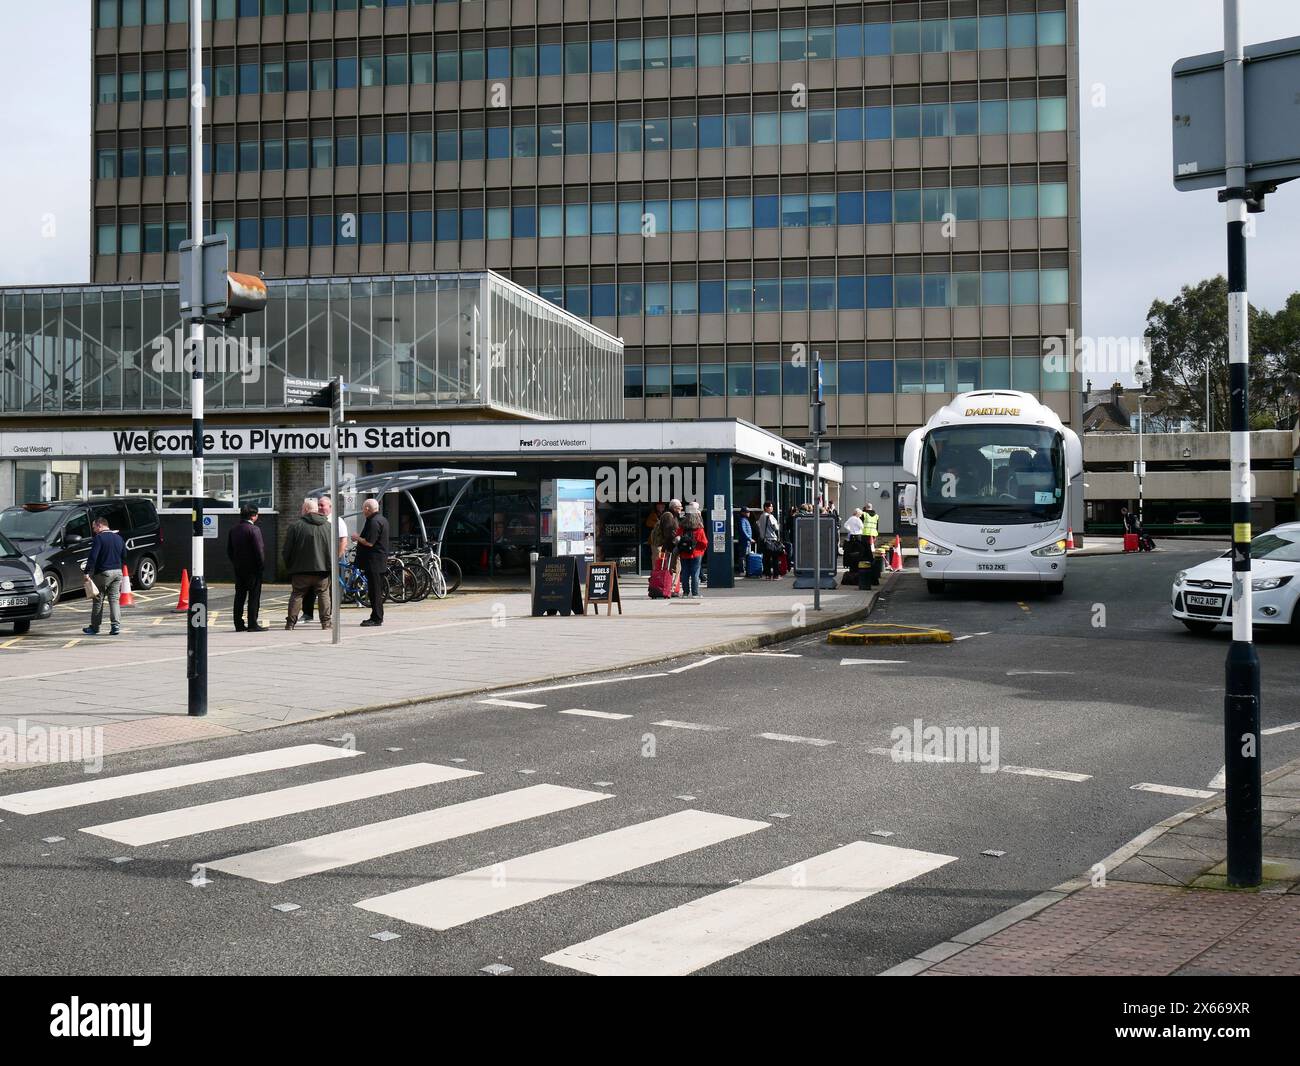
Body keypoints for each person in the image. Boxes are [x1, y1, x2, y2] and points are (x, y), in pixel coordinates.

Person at [283, 497, 333, 631]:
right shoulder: (329, 527)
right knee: (323, 594)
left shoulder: (295, 526)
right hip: (322, 570)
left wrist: (290, 566)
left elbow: (287, 550)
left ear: (305, 510)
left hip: (300, 570)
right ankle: (326, 623)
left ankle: (290, 624)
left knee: (297, 595)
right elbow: (332, 549)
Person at [302, 495, 348, 623]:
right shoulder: (313, 520)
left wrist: (336, 558)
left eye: (323, 505)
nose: (320, 508)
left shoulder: (337, 521)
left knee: (331, 588)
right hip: (315, 559)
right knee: (309, 586)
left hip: (331, 560)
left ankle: (331, 614)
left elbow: (343, 540)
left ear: (330, 507)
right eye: (319, 505)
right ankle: (307, 614)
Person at [81, 516, 125, 636]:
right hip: (117, 572)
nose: (94, 530)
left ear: (100, 525)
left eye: (94, 527)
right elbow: (124, 555)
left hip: (103, 573)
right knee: (114, 600)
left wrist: (86, 572)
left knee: (97, 599)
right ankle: (115, 626)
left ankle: (95, 627)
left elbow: (93, 557)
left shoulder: (99, 538)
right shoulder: (119, 538)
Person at [351, 498, 390, 626]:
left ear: (368, 508)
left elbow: (369, 542)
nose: (363, 511)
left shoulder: (373, 522)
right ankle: (375, 616)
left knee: (375, 591)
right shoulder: (382, 519)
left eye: (363, 508)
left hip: (374, 562)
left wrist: (357, 538)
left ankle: (377, 618)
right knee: (375, 590)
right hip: (378, 561)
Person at [227, 504, 265, 633]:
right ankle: (253, 623)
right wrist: (261, 566)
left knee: (239, 596)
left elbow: (229, 550)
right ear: (253, 516)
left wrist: (236, 563)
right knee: (254, 597)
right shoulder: (254, 530)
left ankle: (238, 624)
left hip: (239, 568)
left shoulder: (233, 529)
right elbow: (259, 551)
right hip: (253, 569)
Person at [677, 503, 708, 598]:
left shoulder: (681, 528)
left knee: (685, 573)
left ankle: (685, 593)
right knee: (695, 573)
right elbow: (704, 543)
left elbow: (677, 538)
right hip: (696, 553)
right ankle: (695, 593)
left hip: (683, 553)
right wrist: (701, 551)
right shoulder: (699, 529)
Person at [656, 499, 683, 597]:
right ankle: (670, 589)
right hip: (671, 547)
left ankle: (671, 588)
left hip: (671, 546)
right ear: (674, 507)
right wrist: (675, 542)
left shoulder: (672, 516)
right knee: (674, 568)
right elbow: (670, 532)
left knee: (675, 568)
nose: (681, 509)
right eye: (680, 507)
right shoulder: (669, 516)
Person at [757, 501, 783, 580]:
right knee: (775, 558)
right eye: (770, 506)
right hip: (771, 540)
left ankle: (767, 575)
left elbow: (759, 526)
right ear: (766, 507)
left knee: (766, 558)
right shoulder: (770, 516)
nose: (772, 508)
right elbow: (776, 528)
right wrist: (778, 525)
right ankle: (776, 575)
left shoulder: (761, 516)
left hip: (764, 540)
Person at [735, 508, 754, 574]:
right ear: (743, 513)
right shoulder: (742, 520)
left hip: (746, 541)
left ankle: (745, 569)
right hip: (744, 541)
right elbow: (743, 531)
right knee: (743, 556)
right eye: (747, 512)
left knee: (745, 556)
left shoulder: (745, 520)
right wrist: (749, 538)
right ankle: (742, 570)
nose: (749, 513)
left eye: (748, 512)